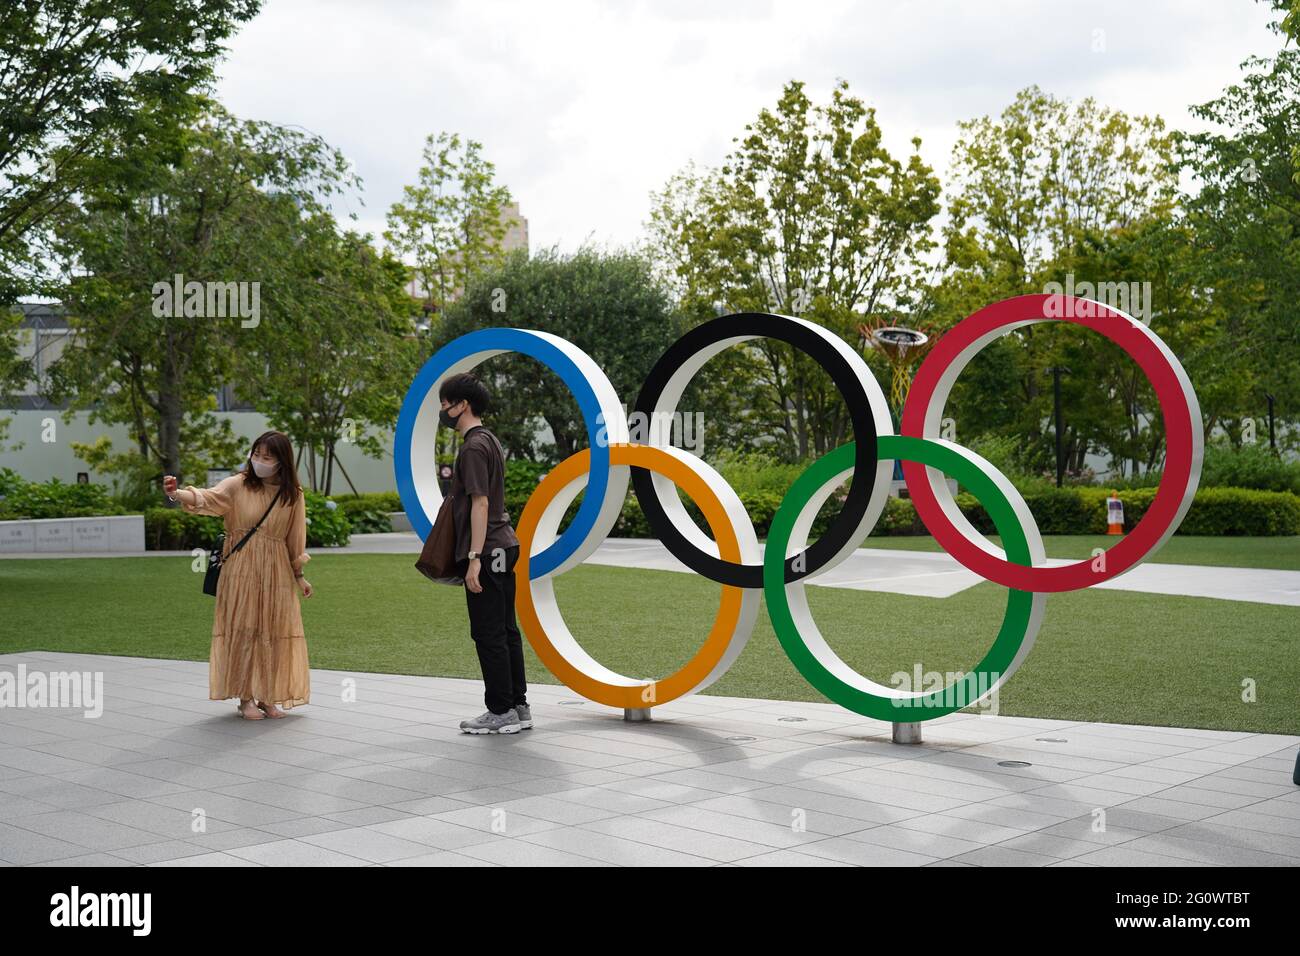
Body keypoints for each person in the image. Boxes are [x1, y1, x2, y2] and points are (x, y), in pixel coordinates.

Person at [162, 430, 313, 719]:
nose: (259, 461)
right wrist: (175, 493)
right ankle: (245, 698)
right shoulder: (239, 484)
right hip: (241, 569)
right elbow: (207, 498)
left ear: (282, 461)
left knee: (275, 630)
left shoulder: (293, 495)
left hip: (276, 572)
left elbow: (295, 538)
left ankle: (268, 697)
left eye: (267, 457)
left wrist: (299, 575)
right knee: (244, 630)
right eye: (256, 454)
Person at [439, 372, 531, 734]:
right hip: (505, 545)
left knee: (488, 633)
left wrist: (474, 558)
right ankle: (518, 705)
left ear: (463, 405)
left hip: (489, 547)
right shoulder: (489, 440)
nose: (444, 411)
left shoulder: (473, 447)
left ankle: (501, 709)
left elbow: (480, 503)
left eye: (446, 404)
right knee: (506, 630)